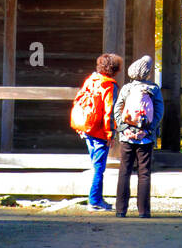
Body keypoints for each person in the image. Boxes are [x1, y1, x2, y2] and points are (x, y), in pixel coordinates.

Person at [113, 55, 164, 219]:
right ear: (148, 73)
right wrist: (147, 131)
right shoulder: (154, 89)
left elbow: (117, 110)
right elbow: (159, 113)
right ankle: (143, 211)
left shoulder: (126, 89)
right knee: (144, 173)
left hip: (127, 137)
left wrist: (124, 129)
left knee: (124, 171)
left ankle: (121, 210)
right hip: (145, 138)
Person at [70, 53, 121, 211]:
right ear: (114, 69)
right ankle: (94, 201)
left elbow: (79, 101)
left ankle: (98, 198)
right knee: (99, 167)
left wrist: (80, 125)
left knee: (96, 165)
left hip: (87, 127)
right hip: (99, 129)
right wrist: (110, 133)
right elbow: (109, 111)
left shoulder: (90, 80)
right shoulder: (109, 85)